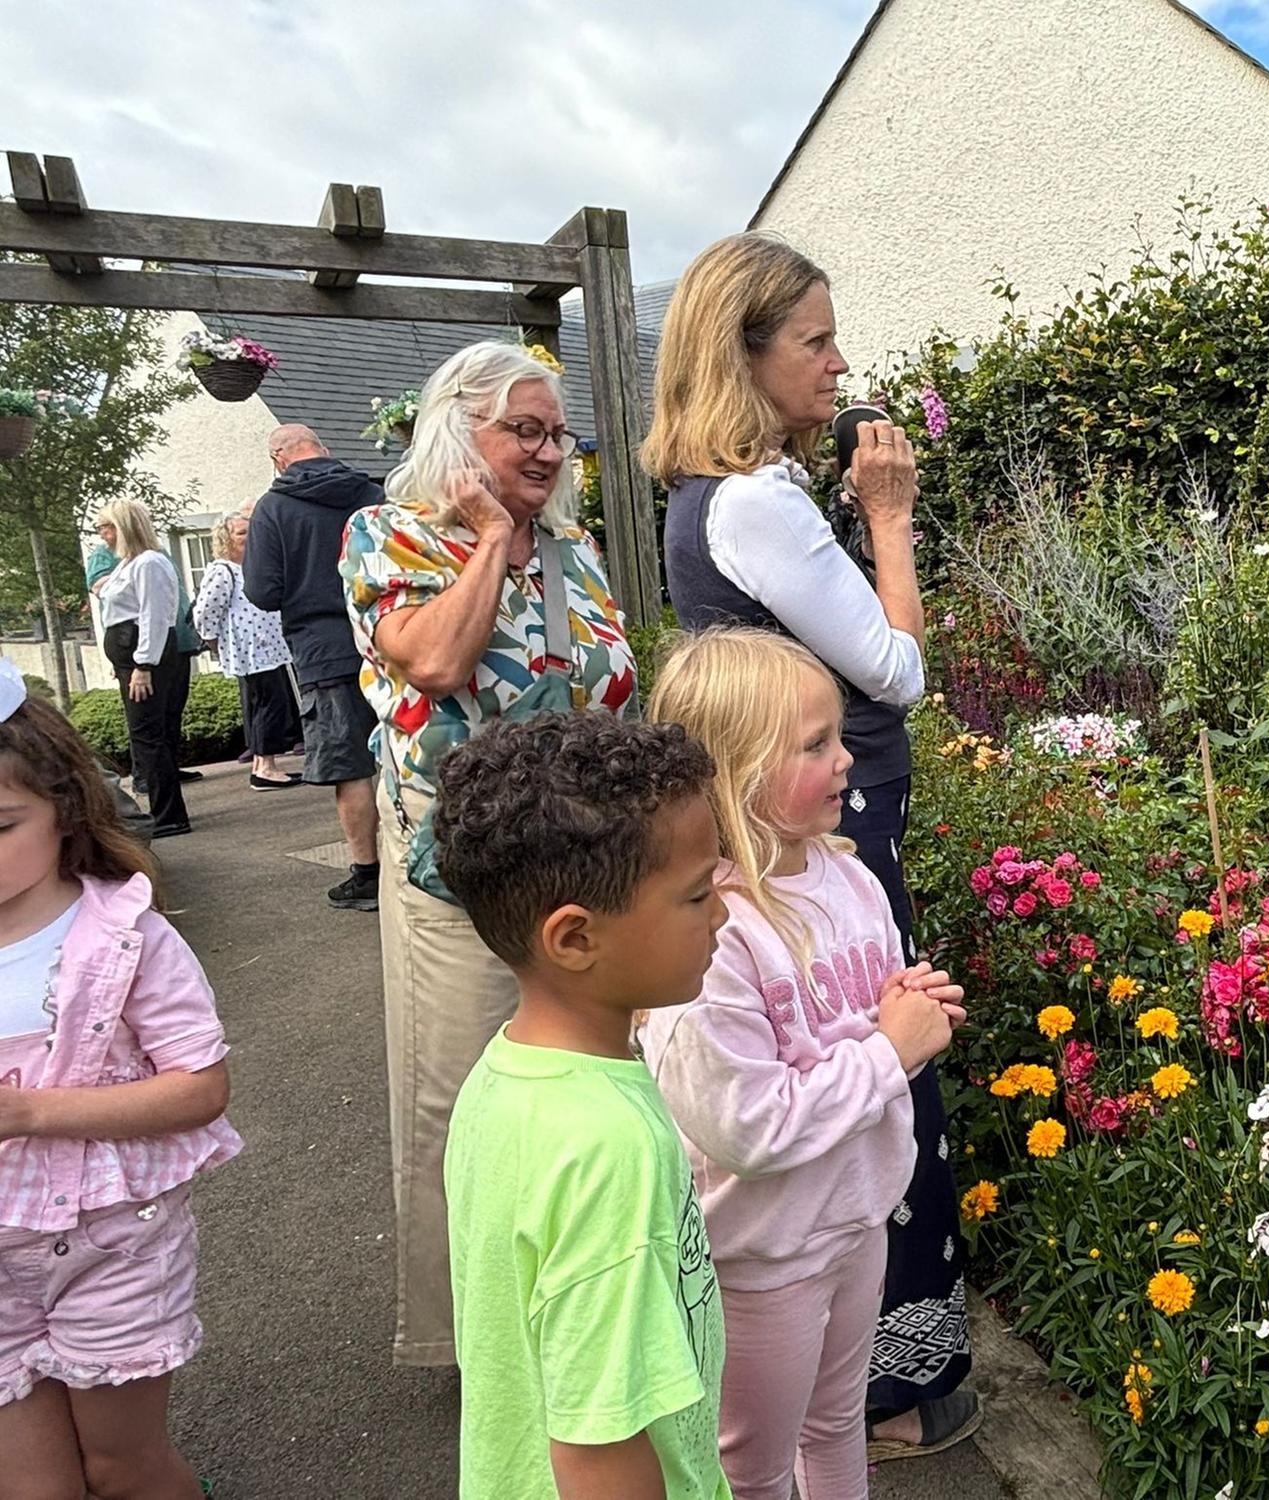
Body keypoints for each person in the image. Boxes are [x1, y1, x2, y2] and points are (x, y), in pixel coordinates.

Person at [643, 231, 978, 1457]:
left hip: (792, 819)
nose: (838, 365)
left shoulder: (707, 496)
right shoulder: (754, 500)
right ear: (740, 354)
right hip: (830, 825)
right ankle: (887, 1384)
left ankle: (849, 1376)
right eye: (814, 340)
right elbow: (896, 669)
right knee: (865, 1039)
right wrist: (887, 520)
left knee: (831, 1025)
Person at [340, 340, 637, 1369]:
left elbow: (611, 685)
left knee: (585, 1083)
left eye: (559, 434)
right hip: (457, 866)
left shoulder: (574, 549)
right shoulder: (386, 535)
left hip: (582, 864)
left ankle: (581, 1308)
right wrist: (489, 537)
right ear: (456, 430)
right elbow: (435, 659)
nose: (549, 451)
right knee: (461, 1096)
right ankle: (476, 1340)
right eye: (524, 429)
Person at [640, 628, 966, 1500]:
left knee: (837, 1424)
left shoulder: (848, 877)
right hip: (763, 1256)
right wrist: (892, 1050)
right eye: (816, 744)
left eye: (839, 737)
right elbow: (749, 1126)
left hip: (855, 1216)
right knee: (750, 1466)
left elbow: (870, 1009)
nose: (846, 760)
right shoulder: (712, 936)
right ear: (737, 773)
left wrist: (912, 1004)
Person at [431, 712, 729, 1500]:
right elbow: (600, 1446)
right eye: (698, 894)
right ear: (574, 939)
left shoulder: (502, 1078)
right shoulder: (609, 1148)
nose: (722, 915)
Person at [0, 661, 242, 1499]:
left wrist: (29, 1112)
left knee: (123, 1468)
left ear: (64, 809)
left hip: (112, 1249)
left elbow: (199, 1087)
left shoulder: (124, 937)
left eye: (1, 824)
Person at [243, 424, 384, 908]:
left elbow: (263, 591)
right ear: (324, 449)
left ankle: (367, 874)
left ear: (278, 460)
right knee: (407, 750)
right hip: (391, 637)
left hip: (325, 651)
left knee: (351, 766)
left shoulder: (273, 508)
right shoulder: (373, 494)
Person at [93, 500, 193, 838]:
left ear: (124, 527)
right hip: (130, 653)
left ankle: (169, 815)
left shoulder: (149, 563)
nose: (102, 534)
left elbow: (154, 616)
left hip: (143, 656)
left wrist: (143, 664)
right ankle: (164, 811)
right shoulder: (129, 563)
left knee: (149, 735)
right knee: (148, 734)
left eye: (107, 527)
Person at [192, 511, 301, 790]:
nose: (248, 537)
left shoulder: (252, 567)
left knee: (267, 705)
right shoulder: (223, 570)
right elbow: (205, 612)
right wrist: (213, 642)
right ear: (226, 538)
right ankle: (265, 768)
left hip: (270, 649)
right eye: (241, 533)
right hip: (251, 652)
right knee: (269, 706)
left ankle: (263, 765)